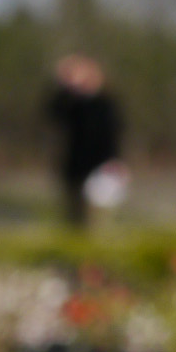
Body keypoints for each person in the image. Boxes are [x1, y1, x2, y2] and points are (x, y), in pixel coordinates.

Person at [47, 54, 123, 228]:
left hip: (100, 169)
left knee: (96, 220)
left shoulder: (105, 103)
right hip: (74, 167)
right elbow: (52, 113)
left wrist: (113, 161)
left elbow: (112, 135)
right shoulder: (72, 104)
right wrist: (65, 87)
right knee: (73, 218)